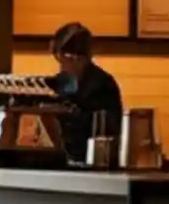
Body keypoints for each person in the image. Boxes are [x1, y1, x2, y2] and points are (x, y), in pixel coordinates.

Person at [50, 22, 123, 163]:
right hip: (62, 157)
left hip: (94, 158)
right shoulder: (59, 82)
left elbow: (109, 127)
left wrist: (70, 113)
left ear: (75, 58)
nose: (61, 64)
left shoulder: (103, 85)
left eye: (61, 58)